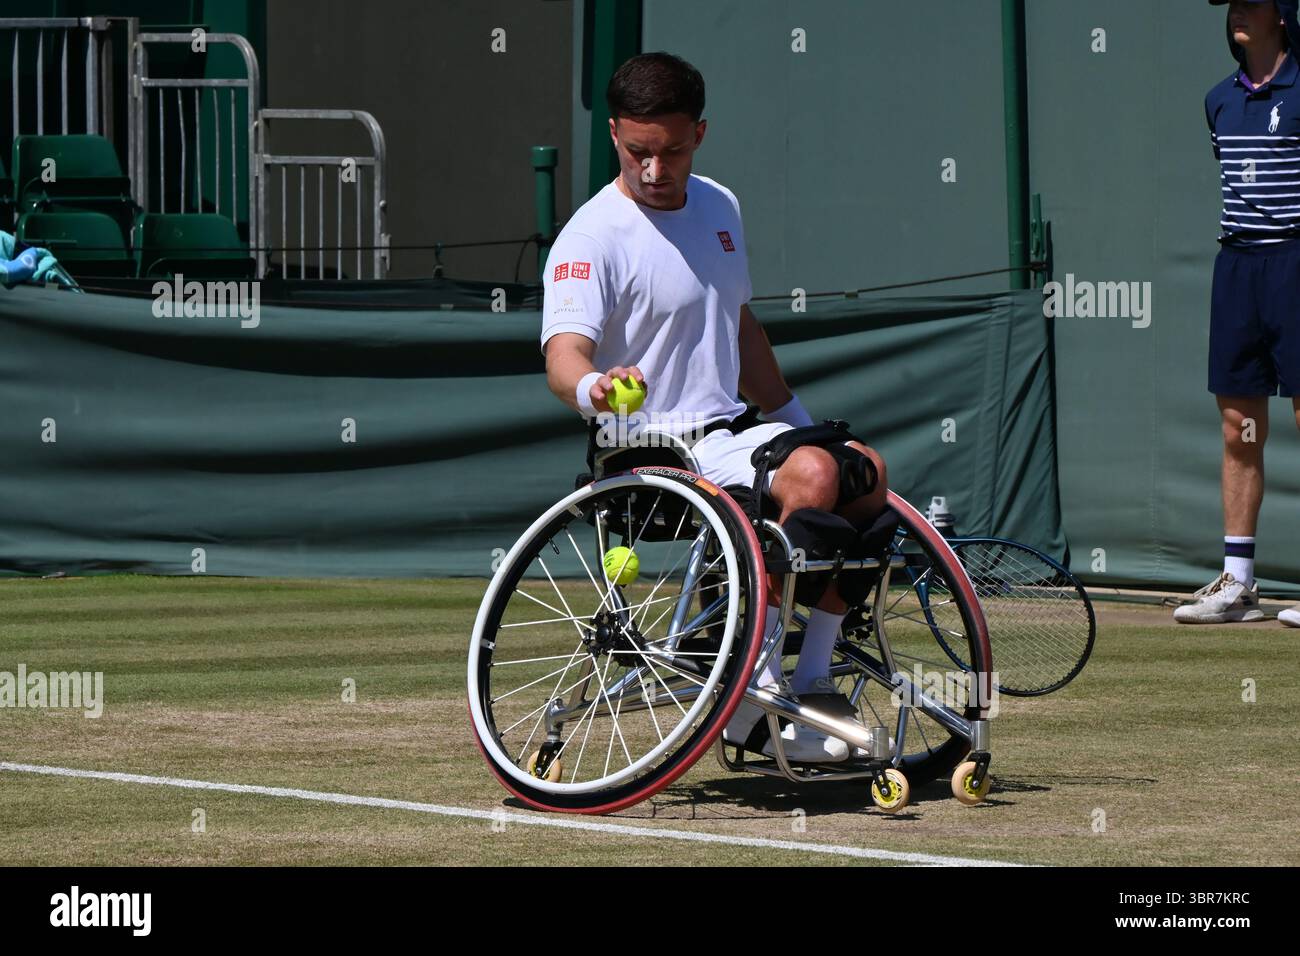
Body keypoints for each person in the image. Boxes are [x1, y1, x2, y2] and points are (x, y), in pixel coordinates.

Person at [539, 52, 890, 760]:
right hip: (646, 448)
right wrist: (594, 387)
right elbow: (562, 357)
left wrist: (797, 419)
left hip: (730, 432)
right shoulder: (591, 236)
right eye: (638, 152)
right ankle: (750, 699)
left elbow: (739, 327)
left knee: (866, 471)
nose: (654, 170)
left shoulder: (722, 205)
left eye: (670, 152)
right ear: (614, 135)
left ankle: (813, 680)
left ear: (699, 133)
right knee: (815, 479)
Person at [1177, 0, 1300, 626]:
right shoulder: (1216, 100)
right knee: (1238, 428)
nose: (1237, 13)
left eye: (1253, 1)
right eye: (1233, 4)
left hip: (1297, 262)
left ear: (1283, 13)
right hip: (1239, 267)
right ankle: (1239, 583)